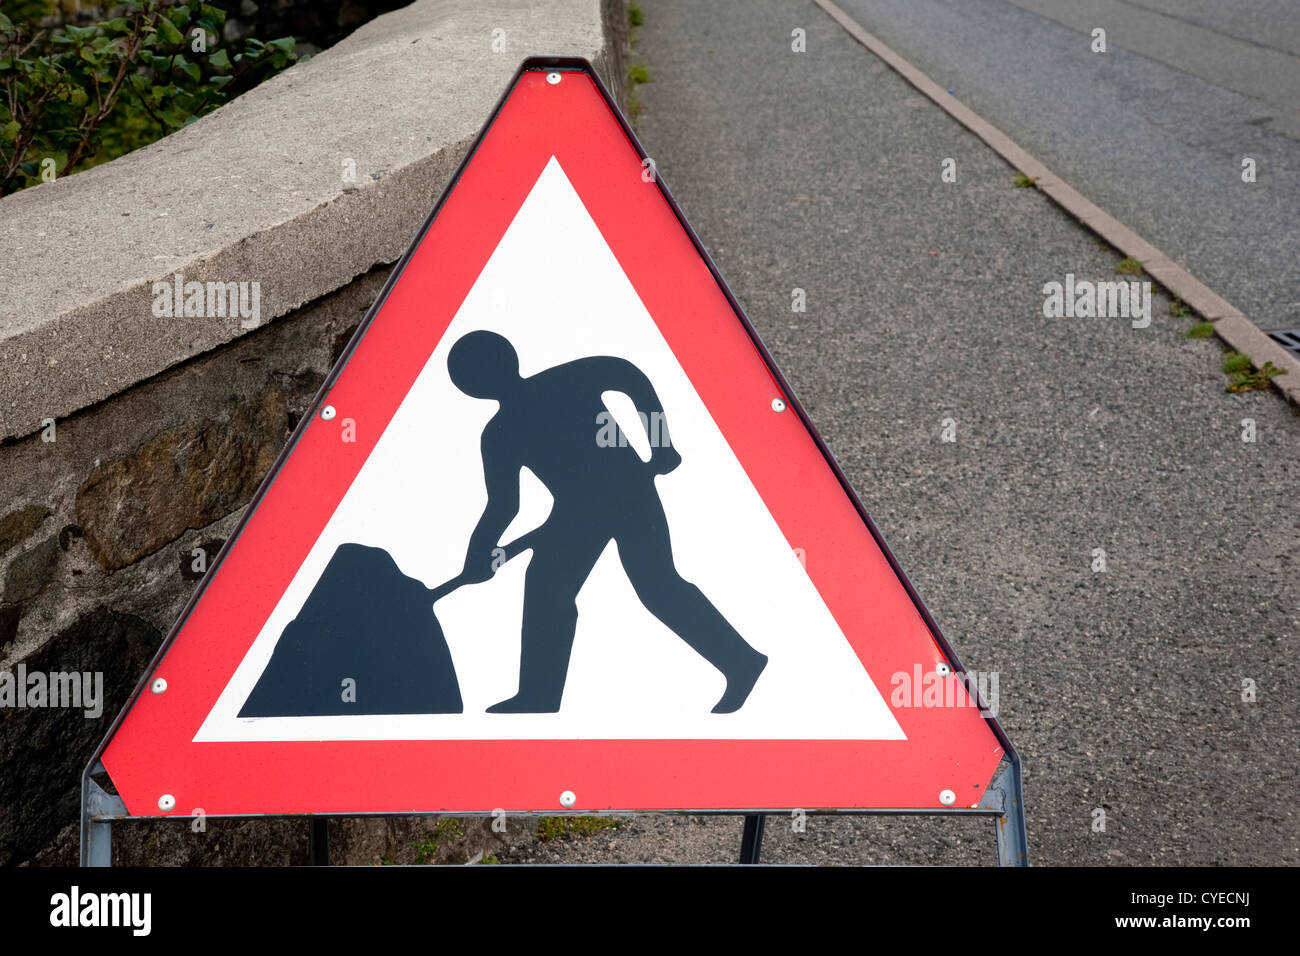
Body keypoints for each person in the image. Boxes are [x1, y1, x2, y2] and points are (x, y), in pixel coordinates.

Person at [446, 330, 767, 714]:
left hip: (628, 490)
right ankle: (538, 696)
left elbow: (630, 376)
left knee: (656, 585)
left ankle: (741, 662)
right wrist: (480, 553)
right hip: (577, 510)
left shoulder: (562, 384)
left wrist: (661, 443)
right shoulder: (500, 434)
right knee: (549, 587)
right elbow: (503, 505)